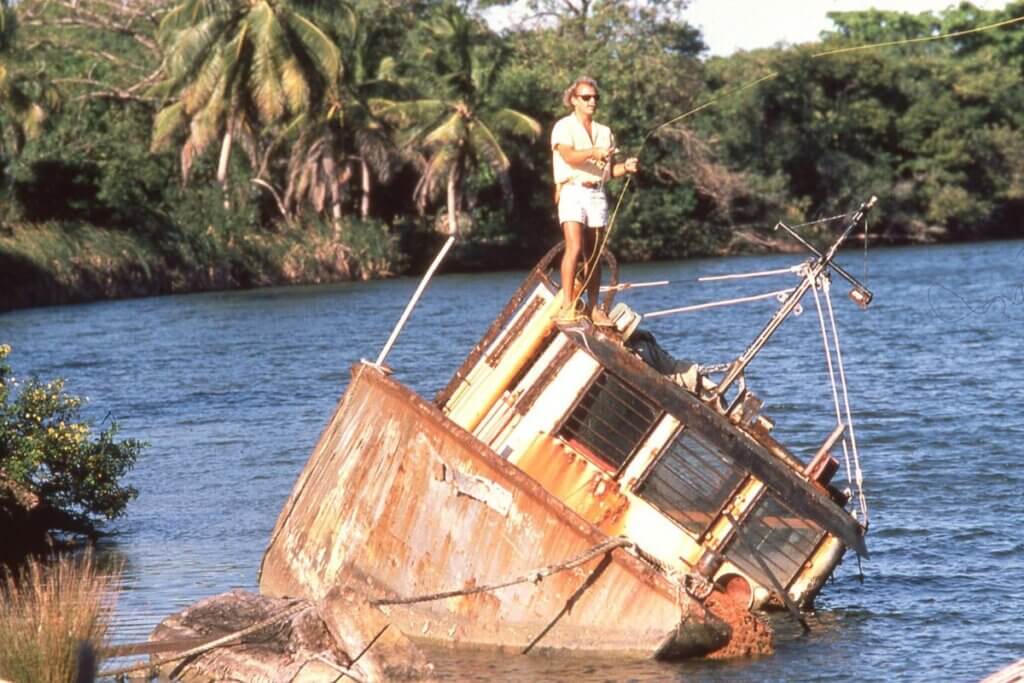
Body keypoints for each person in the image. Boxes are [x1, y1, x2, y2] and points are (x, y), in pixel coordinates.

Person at [551, 76, 638, 324]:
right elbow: (568, 156)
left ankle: (594, 307)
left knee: (594, 254)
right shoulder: (563, 127)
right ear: (573, 100)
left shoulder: (605, 132)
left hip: (596, 193)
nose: (592, 101)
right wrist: (593, 152)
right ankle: (568, 305)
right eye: (586, 97)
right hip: (572, 190)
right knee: (575, 247)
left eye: (595, 97)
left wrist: (626, 167)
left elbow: (607, 172)